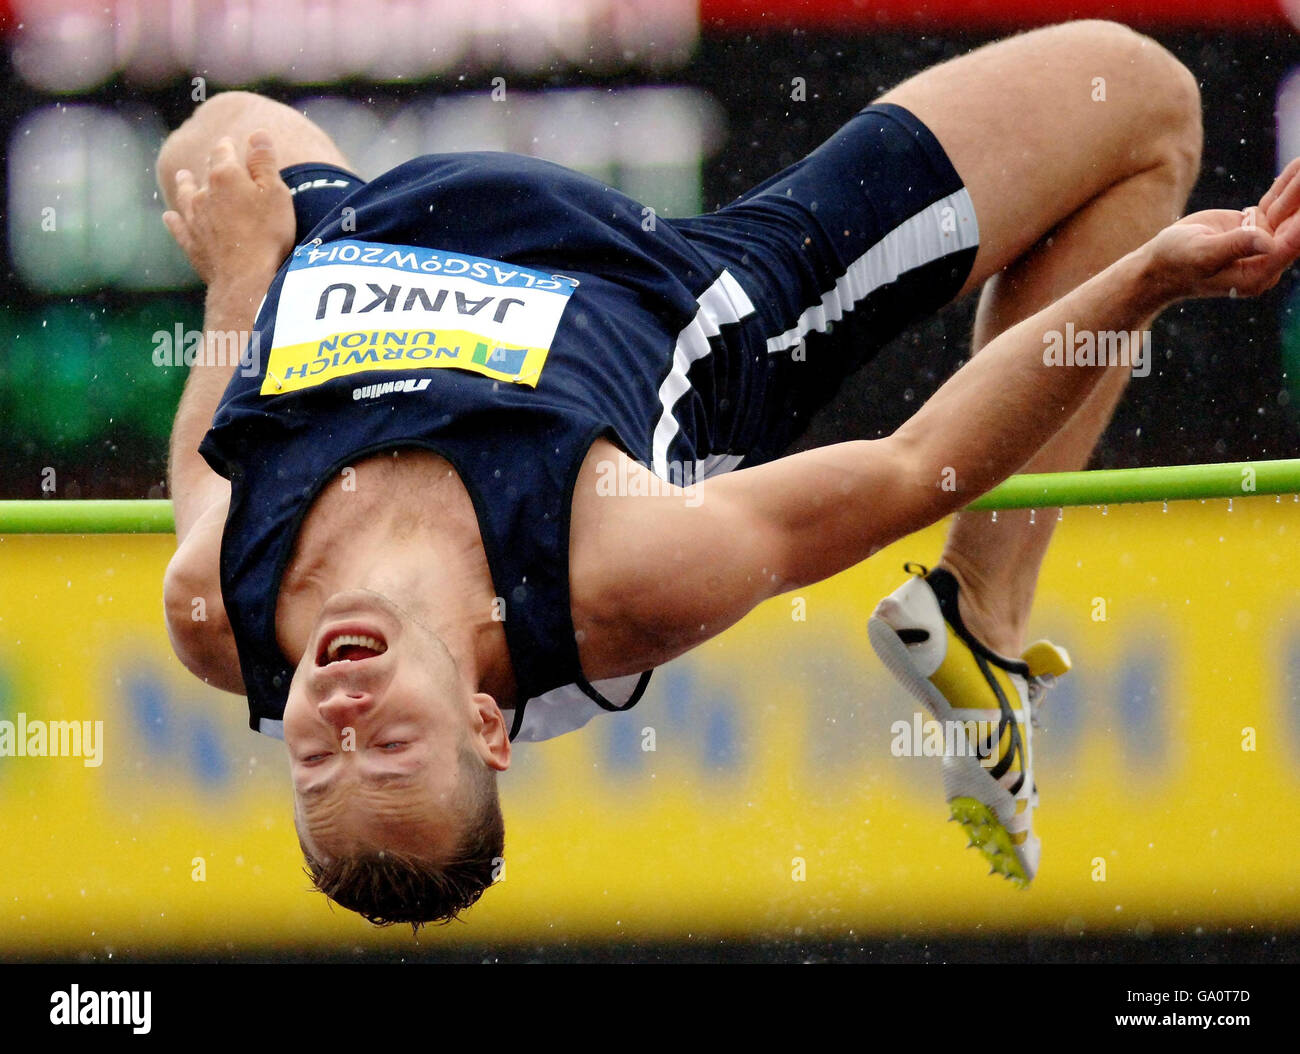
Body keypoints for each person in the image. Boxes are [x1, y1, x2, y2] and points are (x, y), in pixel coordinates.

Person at [158, 20, 1300, 928]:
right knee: (1140, 102)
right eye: (393, 746)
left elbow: (217, 446)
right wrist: (1149, 280)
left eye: (315, 755)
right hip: (695, 285)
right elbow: (917, 462)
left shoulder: (220, 604)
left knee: (212, 138)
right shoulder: (617, 568)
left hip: (367, 229)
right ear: (485, 724)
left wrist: (241, 284)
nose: (345, 716)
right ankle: (978, 615)